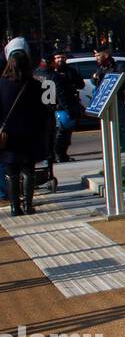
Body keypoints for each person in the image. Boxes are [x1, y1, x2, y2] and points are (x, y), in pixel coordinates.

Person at [0, 38, 49, 216]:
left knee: (11, 171)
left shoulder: (1, 85)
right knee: (28, 169)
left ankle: (14, 207)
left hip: (9, 136)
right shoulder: (37, 85)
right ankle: (28, 205)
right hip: (30, 135)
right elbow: (44, 112)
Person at [45, 50, 85, 162]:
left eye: (62, 57)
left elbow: (81, 85)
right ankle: (56, 155)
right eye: (57, 57)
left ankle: (63, 154)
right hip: (56, 107)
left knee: (66, 132)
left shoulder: (71, 71)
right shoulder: (50, 73)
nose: (60, 60)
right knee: (58, 133)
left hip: (69, 105)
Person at [91, 47, 125, 153]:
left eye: (98, 55)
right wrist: (95, 78)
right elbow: (96, 82)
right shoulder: (100, 68)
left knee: (121, 124)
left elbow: (122, 80)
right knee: (107, 125)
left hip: (117, 99)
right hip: (104, 101)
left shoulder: (118, 66)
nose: (96, 58)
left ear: (106, 55)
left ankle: (123, 147)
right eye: (95, 56)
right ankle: (111, 146)